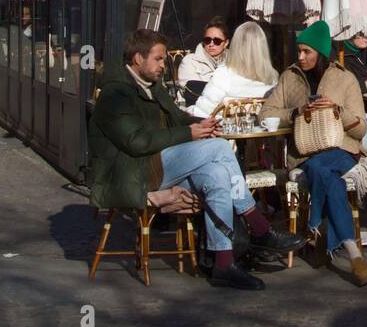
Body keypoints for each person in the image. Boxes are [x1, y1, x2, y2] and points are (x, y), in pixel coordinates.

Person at [88, 28, 303, 290]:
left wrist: (203, 123)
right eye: (157, 59)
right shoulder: (115, 95)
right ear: (137, 59)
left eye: (163, 58)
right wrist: (189, 133)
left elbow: (178, 119)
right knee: (219, 149)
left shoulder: (152, 86)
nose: (163, 65)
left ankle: (223, 262)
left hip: (153, 163)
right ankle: (259, 227)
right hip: (131, 172)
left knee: (217, 175)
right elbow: (137, 142)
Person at [261, 19, 367, 287]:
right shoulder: (289, 77)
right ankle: (352, 250)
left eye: (306, 51)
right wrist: (295, 113)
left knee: (323, 169)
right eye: (298, 51)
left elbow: (360, 130)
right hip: (305, 154)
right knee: (325, 174)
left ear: (321, 52)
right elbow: (266, 113)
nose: (300, 56)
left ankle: (315, 224)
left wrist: (338, 111)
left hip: (342, 149)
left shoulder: (345, 79)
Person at [189, 21, 277, 117]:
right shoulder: (273, 77)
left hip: (228, 129)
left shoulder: (224, 74)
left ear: (235, 44)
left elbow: (201, 112)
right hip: (262, 130)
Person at [177, 18, 230, 103]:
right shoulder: (190, 61)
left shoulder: (233, 63)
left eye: (217, 41)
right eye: (207, 40)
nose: (211, 44)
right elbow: (193, 93)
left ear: (226, 43)